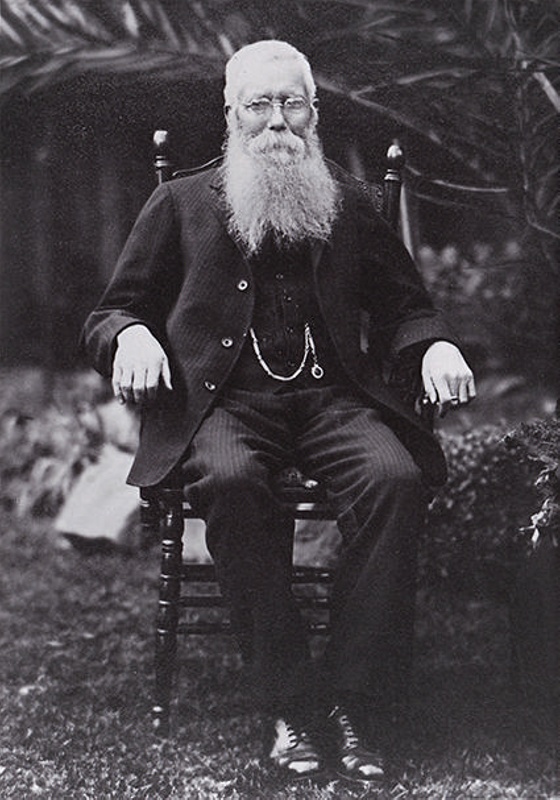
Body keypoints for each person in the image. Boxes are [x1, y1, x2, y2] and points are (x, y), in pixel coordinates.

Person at [83, 40, 475, 782]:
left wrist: (433, 348)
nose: (276, 123)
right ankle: (293, 701)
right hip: (224, 403)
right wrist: (131, 335)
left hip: (335, 397)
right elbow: (112, 311)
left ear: (313, 110)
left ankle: (355, 702)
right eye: (259, 106)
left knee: (393, 480)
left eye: (291, 103)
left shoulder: (350, 203)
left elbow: (407, 310)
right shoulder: (181, 202)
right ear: (231, 115)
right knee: (230, 482)